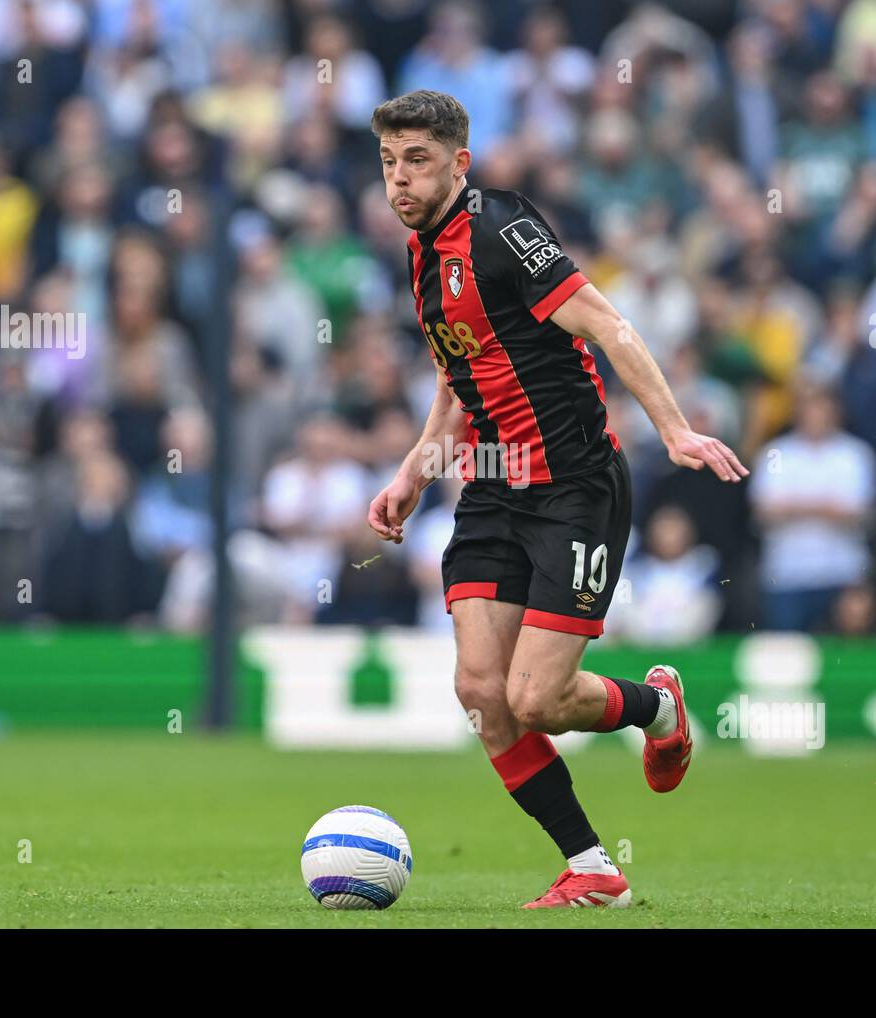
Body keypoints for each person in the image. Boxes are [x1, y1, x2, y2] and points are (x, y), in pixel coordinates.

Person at [365, 91, 748, 909]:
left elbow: (610, 326)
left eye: (418, 160)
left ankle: (658, 706)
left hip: (574, 486)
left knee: (535, 698)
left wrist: (675, 431)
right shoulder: (422, 251)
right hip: (494, 489)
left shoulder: (503, 230)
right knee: (481, 690)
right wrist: (413, 473)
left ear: (459, 163)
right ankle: (593, 867)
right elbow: (460, 376)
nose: (400, 179)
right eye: (390, 161)